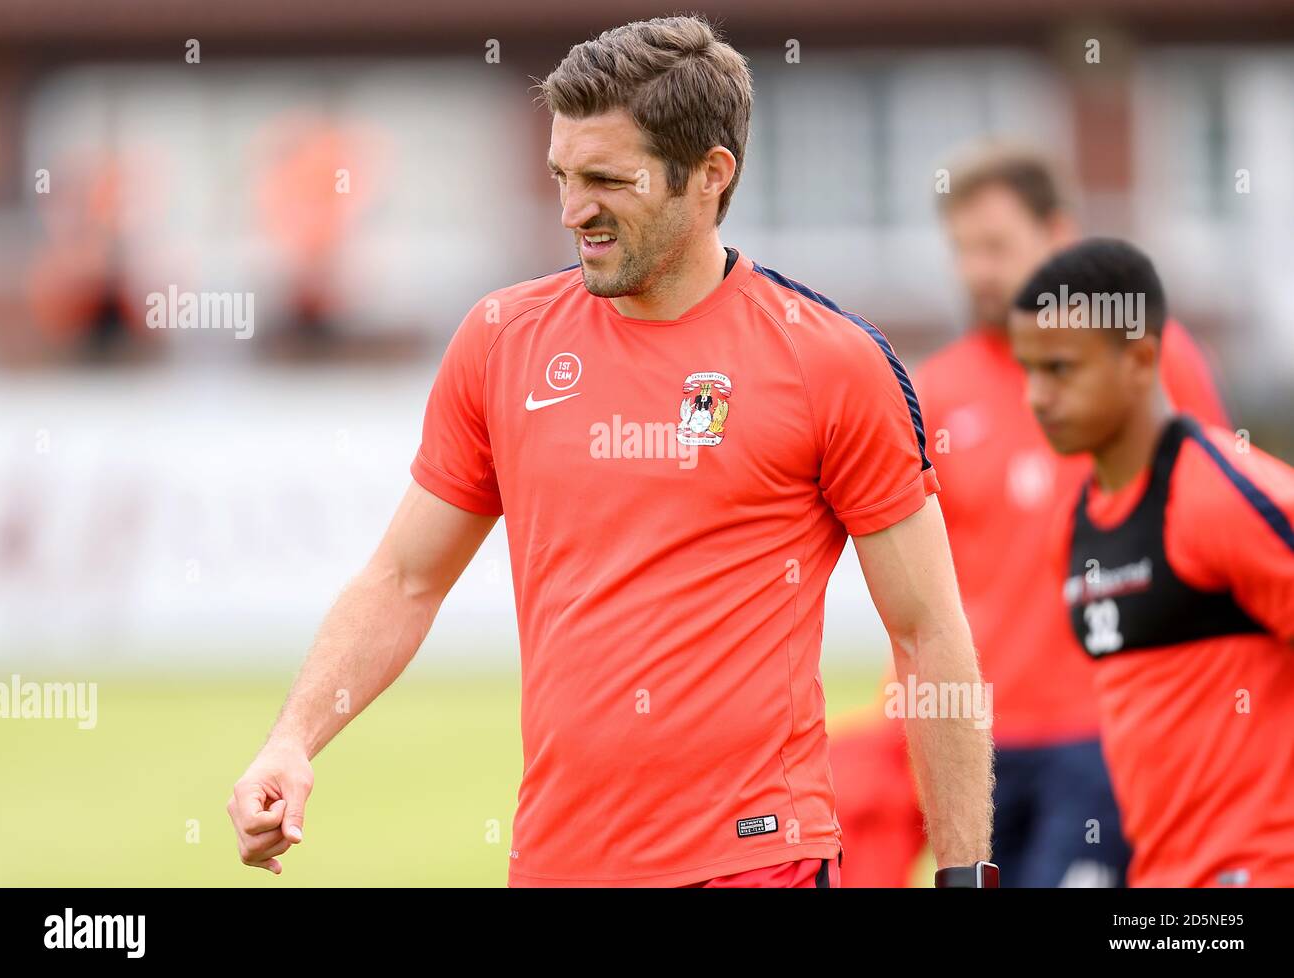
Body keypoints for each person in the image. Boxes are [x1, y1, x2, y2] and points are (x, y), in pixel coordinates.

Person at [226, 15, 994, 888]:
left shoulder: (829, 361)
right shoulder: (501, 341)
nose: (572, 210)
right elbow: (405, 579)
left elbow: (928, 633)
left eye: (605, 179)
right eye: (560, 176)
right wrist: (292, 742)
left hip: (756, 859)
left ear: (710, 176)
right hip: (557, 863)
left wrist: (966, 877)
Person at [833, 146, 1229, 887]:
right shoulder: (932, 393)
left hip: (1106, 735)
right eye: (961, 250)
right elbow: (915, 590)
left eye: (996, 246)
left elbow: (1220, 524)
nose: (976, 270)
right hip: (975, 744)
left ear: (1057, 234)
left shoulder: (1148, 359)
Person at [1009, 237, 1294, 886]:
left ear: (1139, 359)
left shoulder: (1225, 497)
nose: (1035, 396)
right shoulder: (1076, 525)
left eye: (1059, 369)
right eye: (1025, 369)